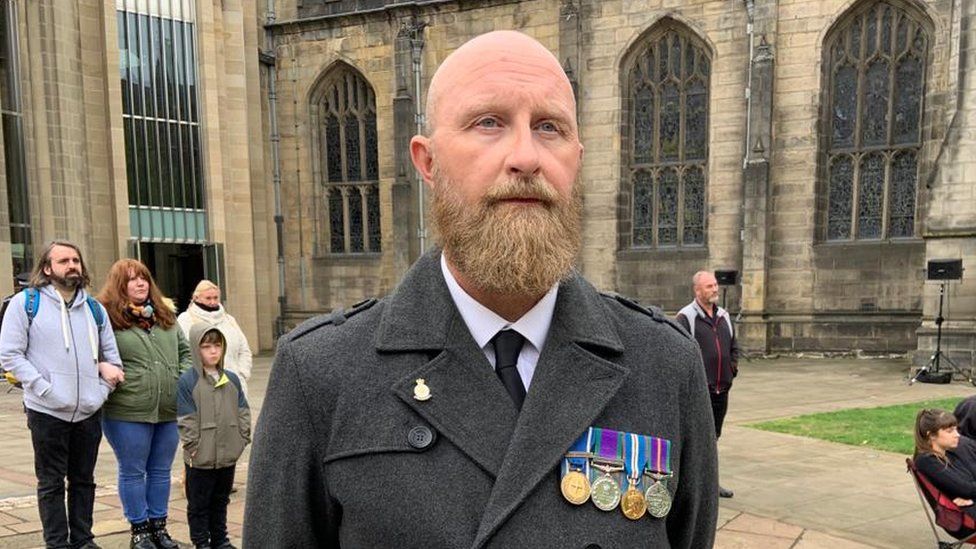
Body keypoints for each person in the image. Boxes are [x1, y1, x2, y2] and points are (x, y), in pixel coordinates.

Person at [244, 30, 717, 548]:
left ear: (577, 159)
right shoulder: (320, 374)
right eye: (489, 122)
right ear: (427, 162)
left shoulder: (665, 365)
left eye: (549, 127)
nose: (526, 156)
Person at [0, 240, 123, 549]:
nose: (72, 266)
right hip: (47, 412)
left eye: (75, 260)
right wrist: (45, 389)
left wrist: (100, 393)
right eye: (64, 261)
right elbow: (10, 355)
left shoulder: (94, 309)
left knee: (84, 481)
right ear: (47, 268)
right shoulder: (25, 304)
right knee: (51, 483)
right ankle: (57, 543)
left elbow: (112, 359)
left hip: (88, 412)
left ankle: (83, 540)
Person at [97, 259, 191, 549]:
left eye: (144, 278)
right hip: (127, 409)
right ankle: (139, 530)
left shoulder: (165, 316)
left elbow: (185, 352)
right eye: (132, 279)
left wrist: (180, 380)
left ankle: (159, 527)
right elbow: (96, 355)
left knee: (161, 470)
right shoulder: (106, 318)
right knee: (133, 470)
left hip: (168, 408)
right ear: (119, 285)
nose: (140, 283)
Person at [177, 324, 250, 549]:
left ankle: (220, 540)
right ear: (196, 349)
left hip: (227, 455)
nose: (213, 351)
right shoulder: (188, 381)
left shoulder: (231, 379)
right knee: (199, 504)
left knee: (221, 500)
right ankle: (201, 542)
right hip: (200, 457)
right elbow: (186, 418)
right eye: (206, 346)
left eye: (217, 346)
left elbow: (243, 411)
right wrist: (194, 446)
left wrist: (241, 439)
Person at [676, 270, 739, 499]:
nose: (715, 289)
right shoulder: (686, 317)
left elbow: (733, 346)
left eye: (715, 285)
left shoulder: (724, 315)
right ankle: (690, 484)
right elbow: (680, 352)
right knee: (697, 439)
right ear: (697, 290)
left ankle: (710, 483)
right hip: (700, 391)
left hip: (722, 389)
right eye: (709, 286)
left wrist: (732, 369)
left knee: (713, 437)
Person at [177, 280, 253, 398]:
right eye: (208, 298)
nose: (212, 302)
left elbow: (244, 350)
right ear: (196, 298)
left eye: (215, 298)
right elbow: (183, 354)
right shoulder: (186, 320)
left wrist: (242, 374)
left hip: (234, 386)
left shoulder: (229, 320)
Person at [913, 408, 976, 515]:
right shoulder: (927, 461)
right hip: (965, 515)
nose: (957, 435)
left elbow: (969, 482)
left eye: (956, 429)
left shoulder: (946, 453)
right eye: (950, 431)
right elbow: (967, 489)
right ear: (931, 435)